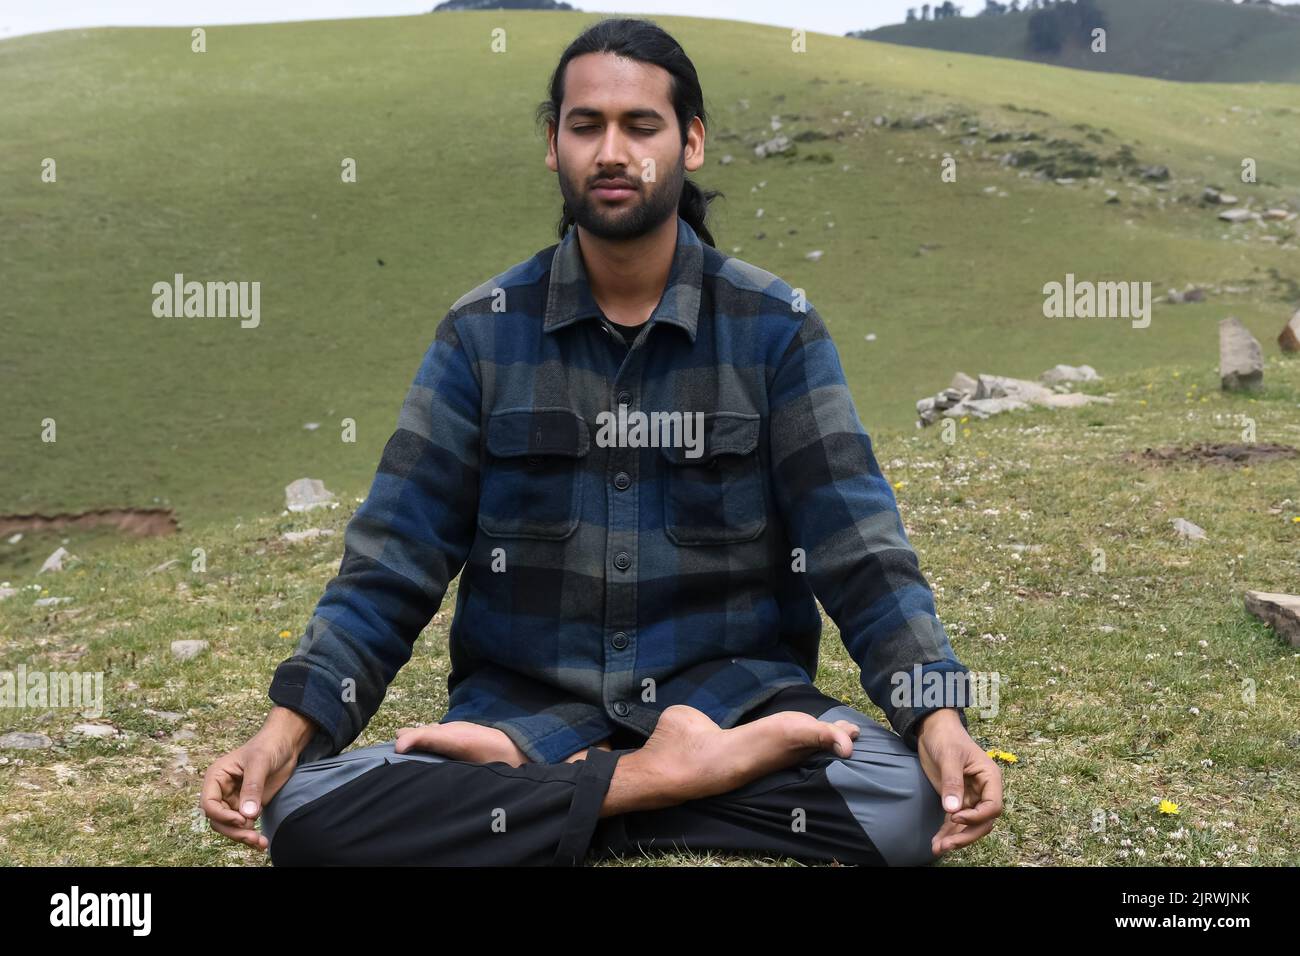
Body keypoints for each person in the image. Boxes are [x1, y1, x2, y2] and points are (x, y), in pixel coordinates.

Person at [201, 17, 1002, 867]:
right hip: (518, 726)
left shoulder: (776, 330)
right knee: (305, 811)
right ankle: (665, 787)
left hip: (736, 710)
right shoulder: (481, 336)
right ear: (554, 144)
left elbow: (862, 552)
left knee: (913, 802)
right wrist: (287, 731)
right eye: (586, 126)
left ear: (690, 142)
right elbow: (391, 563)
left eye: (640, 125)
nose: (612, 151)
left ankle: (565, 807)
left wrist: (937, 718)